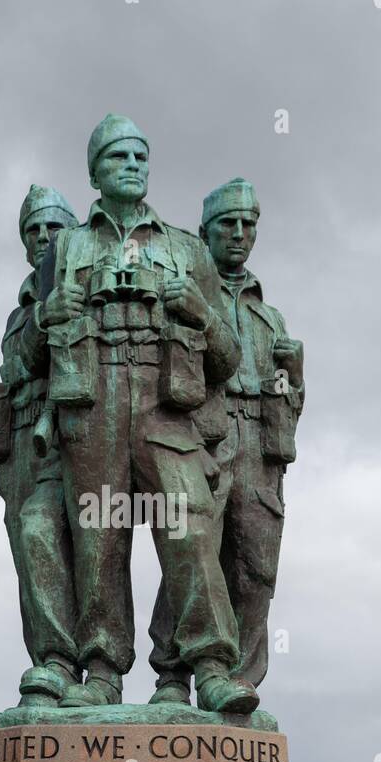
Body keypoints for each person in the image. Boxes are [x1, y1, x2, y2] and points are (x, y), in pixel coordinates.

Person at [28, 116, 258, 714]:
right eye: (117, 157)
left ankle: (209, 666)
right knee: (99, 542)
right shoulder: (68, 247)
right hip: (93, 404)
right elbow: (29, 356)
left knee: (190, 532)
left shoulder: (185, 248)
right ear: (94, 172)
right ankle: (102, 670)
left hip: (166, 412)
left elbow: (228, 361)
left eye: (140, 156)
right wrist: (51, 312)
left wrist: (202, 313)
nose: (131, 165)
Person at [148, 178, 304, 701]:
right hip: (206, 435)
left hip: (261, 444)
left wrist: (294, 375)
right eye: (227, 224)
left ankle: (240, 680)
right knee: (193, 550)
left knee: (257, 568)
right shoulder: (188, 296)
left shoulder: (269, 316)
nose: (239, 234)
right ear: (204, 233)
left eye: (248, 224)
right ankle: (172, 671)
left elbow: (291, 400)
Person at [0, 185, 82, 705]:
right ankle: (49, 666)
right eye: (33, 230)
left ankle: (72, 661)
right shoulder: (22, 308)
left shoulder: (82, 285)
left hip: (71, 435)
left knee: (57, 537)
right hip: (20, 440)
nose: (43, 238)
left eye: (53, 228)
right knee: (29, 555)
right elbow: (17, 365)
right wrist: (42, 320)